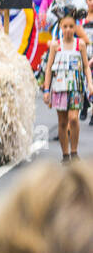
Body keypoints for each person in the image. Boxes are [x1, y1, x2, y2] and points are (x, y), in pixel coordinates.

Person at [42, 13, 91, 163]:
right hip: (59, 88)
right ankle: (65, 155)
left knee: (73, 119)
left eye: (71, 26)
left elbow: (86, 67)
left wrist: (90, 83)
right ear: (61, 28)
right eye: (65, 26)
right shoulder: (55, 46)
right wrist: (46, 89)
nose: (68, 29)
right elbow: (49, 68)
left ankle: (74, 152)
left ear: (76, 27)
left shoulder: (80, 45)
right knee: (62, 122)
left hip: (76, 87)